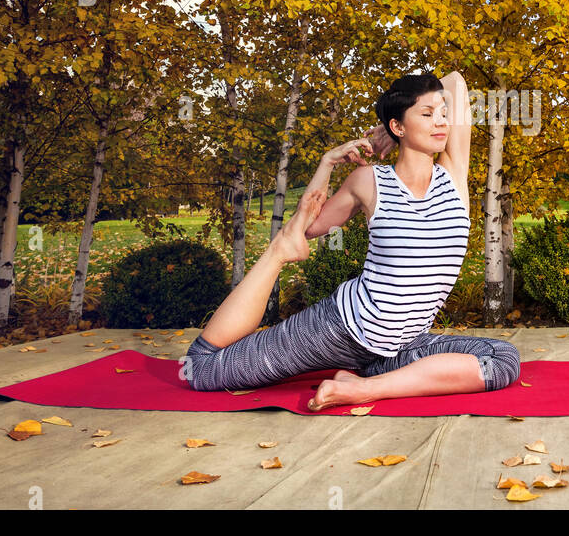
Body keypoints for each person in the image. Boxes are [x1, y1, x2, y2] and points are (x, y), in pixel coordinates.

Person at [183, 70, 521, 410]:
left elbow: (455, 82)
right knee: (201, 369)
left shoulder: (453, 171)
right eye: (427, 114)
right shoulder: (368, 181)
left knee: (501, 359)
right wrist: (328, 162)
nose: (441, 123)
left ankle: (362, 387)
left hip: (403, 344)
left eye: (443, 114)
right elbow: (311, 228)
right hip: (341, 328)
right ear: (399, 126)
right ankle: (279, 253)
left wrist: (393, 129)